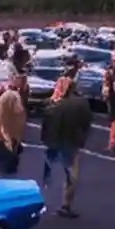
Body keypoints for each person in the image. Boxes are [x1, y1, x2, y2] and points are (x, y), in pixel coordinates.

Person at [40, 76, 92, 218]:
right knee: (71, 175)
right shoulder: (81, 103)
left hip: (53, 142)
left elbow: (46, 123)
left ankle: (43, 201)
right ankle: (66, 205)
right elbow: (86, 123)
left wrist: (45, 140)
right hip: (71, 142)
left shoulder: (52, 103)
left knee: (49, 173)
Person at [0, 74, 27, 175]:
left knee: (3, 168)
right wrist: (11, 140)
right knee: (8, 171)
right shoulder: (14, 96)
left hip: (1, 137)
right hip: (7, 139)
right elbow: (18, 114)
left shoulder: (7, 96)